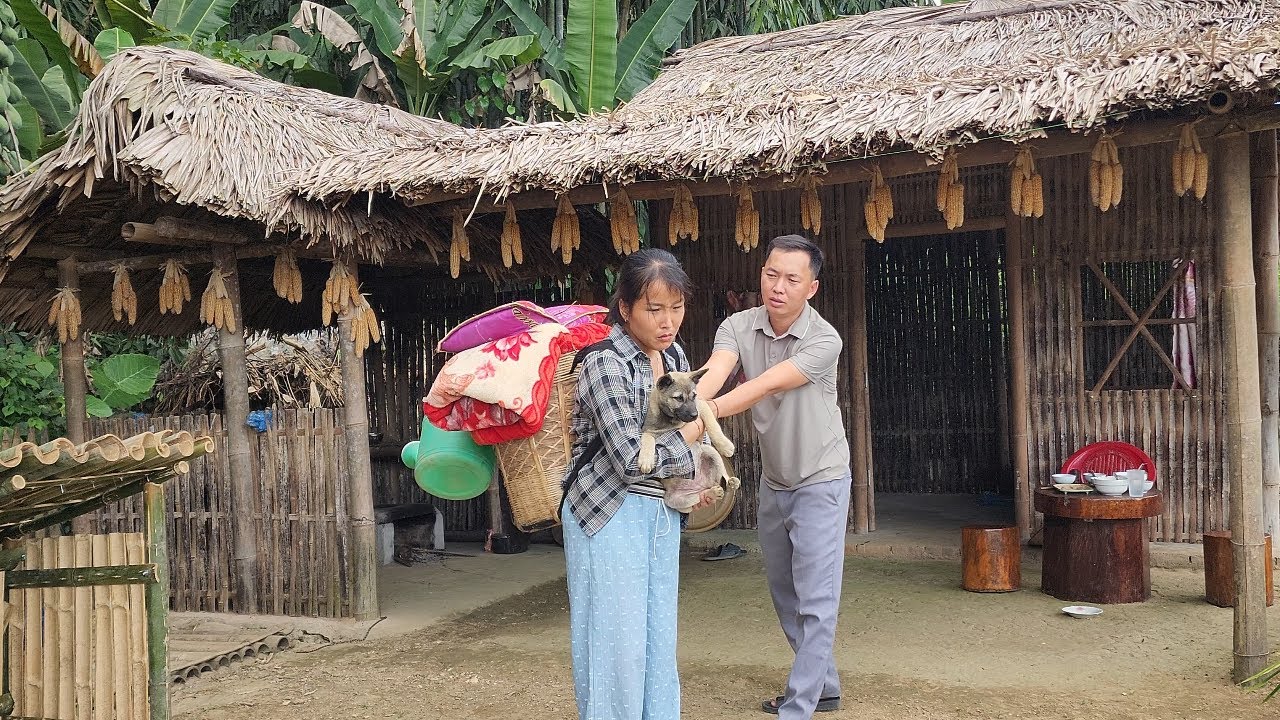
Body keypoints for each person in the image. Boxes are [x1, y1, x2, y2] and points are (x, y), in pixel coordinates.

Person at [695, 235, 852, 720]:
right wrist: (692, 405)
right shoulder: (737, 325)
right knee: (785, 592)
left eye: (791, 279)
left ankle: (799, 707)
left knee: (816, 598)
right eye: (770, 274)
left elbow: (765, 384)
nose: (778, 287)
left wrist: (704, 416)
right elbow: (715, 372)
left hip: (821, 478)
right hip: (775, 481)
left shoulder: (825, 340)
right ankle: (823, 686)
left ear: (812, 288)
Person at [561, 248, 714, 720]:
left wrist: (691, 469)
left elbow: (684, 432)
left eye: (677, 307)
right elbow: (630, 457)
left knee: (656, 638)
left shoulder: (675, 358)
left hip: (659, 514)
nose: (668, 322)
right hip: (607, 513)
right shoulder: (604, 363)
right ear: (625, 308)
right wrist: (690, 441)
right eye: (654, 309)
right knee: (614, 645)